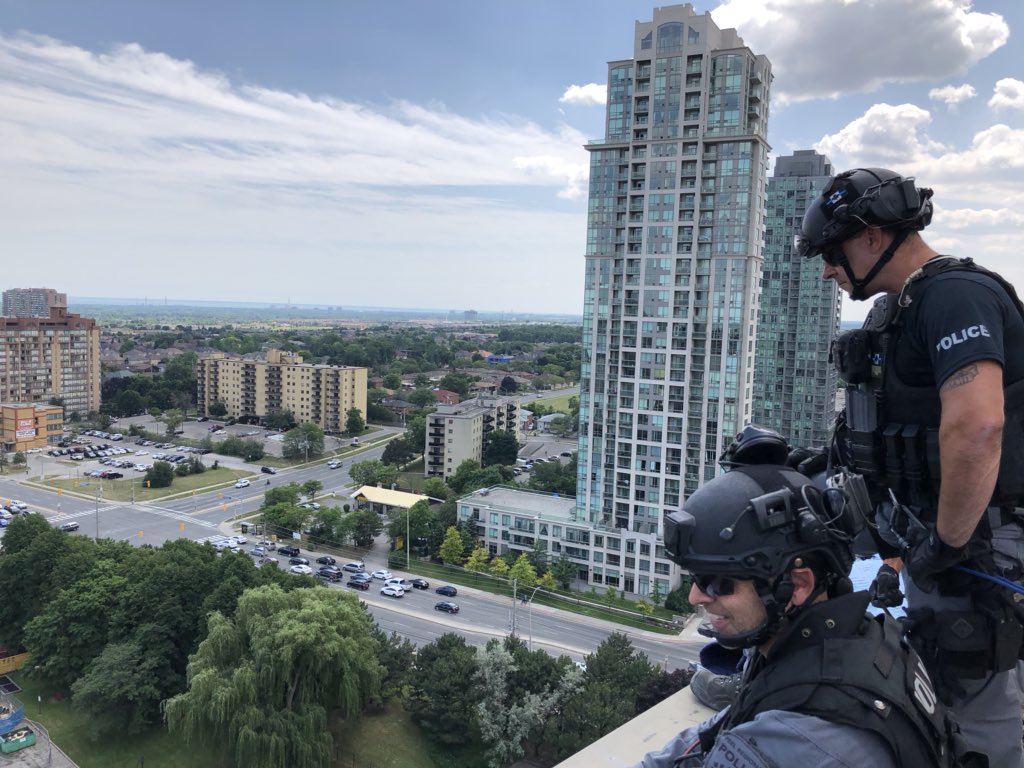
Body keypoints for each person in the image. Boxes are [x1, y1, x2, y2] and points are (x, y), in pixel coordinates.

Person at [797, 167, 1024, 767]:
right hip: (933, 529)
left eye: (832, 252)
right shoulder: (898, 309)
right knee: (936, 686)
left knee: (972, 685)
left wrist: (948, 544)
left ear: (872, 235)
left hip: (979, 537)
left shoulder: (956, 296)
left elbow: (978, 426)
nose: (827, 269)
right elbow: (898, 424)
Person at [630, 465, 982, 768]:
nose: (696, 596)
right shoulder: (858, 643)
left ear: (797, 585)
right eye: (696, 579)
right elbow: (722, 728)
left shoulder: (799, 734)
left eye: (719, 583)